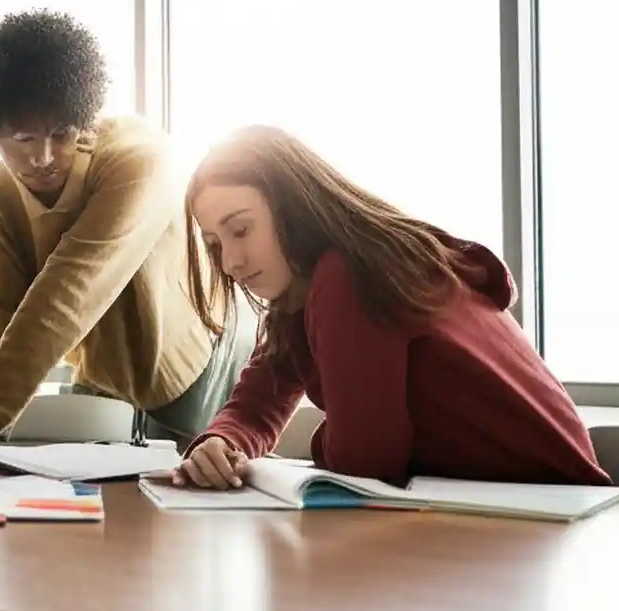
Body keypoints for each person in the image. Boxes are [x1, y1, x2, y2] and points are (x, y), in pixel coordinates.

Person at [0, 10, 254, 463]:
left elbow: (70, 290)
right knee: (93, 498)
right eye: (24, 139)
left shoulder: (139, 160)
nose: (44, 157)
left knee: (186, 490)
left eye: (61, 133)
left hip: (196, 349)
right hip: (103, 366)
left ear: (84, 118)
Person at [174, 125, 611, 489]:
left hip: (545, 509)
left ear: (292, 206)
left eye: (241, 229)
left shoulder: (350, 275)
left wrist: (319, 446)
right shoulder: (305, 294)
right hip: (508, 505)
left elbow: (366, 462)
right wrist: (221, 443)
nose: (230, 262)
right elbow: (256, 406)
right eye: (214, 246)